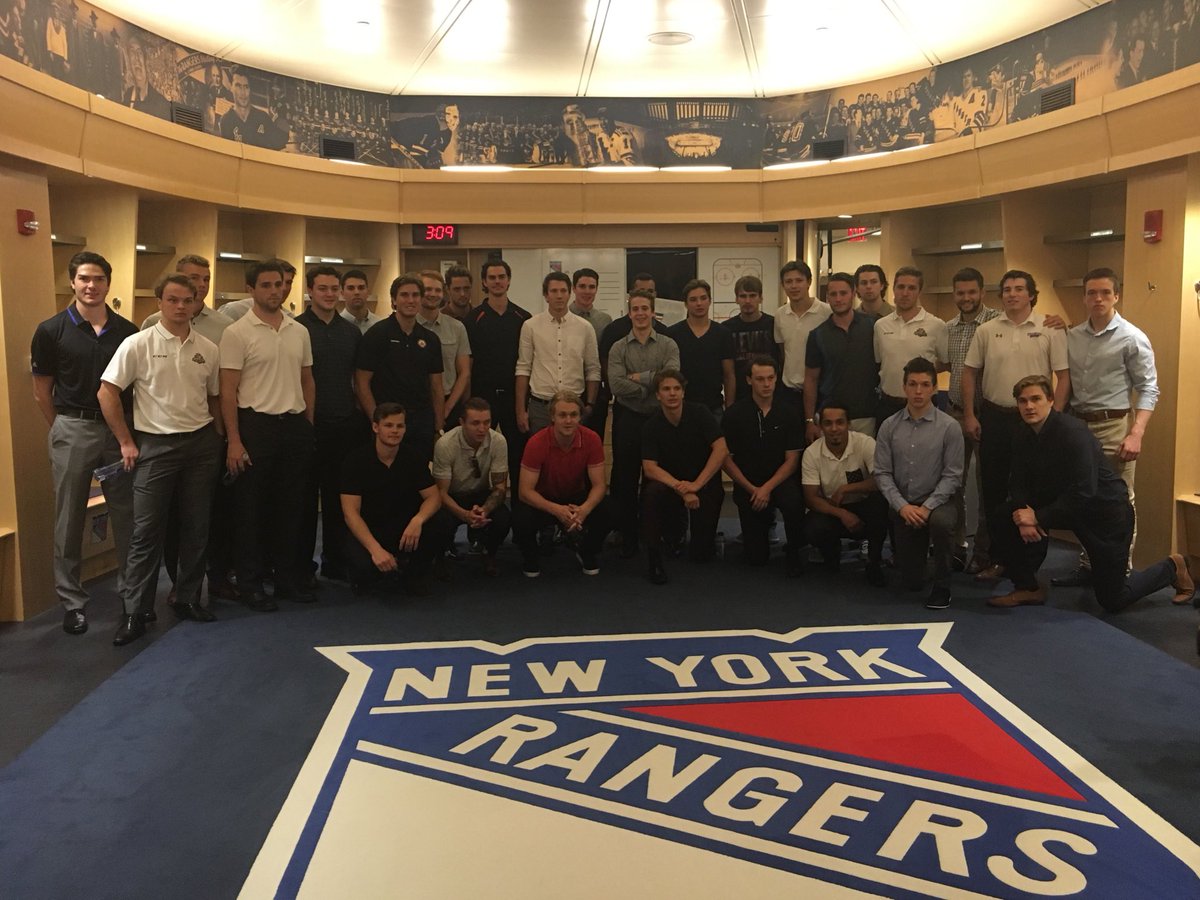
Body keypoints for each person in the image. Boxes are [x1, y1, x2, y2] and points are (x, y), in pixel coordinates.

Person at [989, 375, 1192, 611]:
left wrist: (1038, 517)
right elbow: (1019, 481)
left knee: (1113, 599)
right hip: (1069, 508)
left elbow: (1085, 492)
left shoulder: (1073, 433)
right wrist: (1023, 514)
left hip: (1105, 514)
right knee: (1005, 515)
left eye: (1036, 399)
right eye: (1023, 401)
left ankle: (1173, 568)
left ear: (1051, 400)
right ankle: (1028, 587)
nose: (1029, 406)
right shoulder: (1023, 432)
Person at [98, 274, 223, 644]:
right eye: (173, 300)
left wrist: (217, 437)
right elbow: (107, 394)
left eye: (188, 300)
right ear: (159, 302)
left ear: (197, 302)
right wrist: (125, 441)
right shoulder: (137, 344)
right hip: (155, 446)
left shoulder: (208, 349)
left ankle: (187, 598)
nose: (181, 306)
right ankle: (136, 611)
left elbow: (214, 398)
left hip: (201, 446)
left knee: (197, 528)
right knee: (145, 532)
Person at [30, 251, 136, 636]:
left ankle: (132, 595)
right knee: (69, 518)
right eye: (84, 279)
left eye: (99, 279)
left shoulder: (128, 331)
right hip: (72, 427)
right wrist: (61, 429)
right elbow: (42, 390)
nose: (91, 286)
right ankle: (73, 603)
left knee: (127, 514)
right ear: (72, 282)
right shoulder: (51, 330)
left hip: (118, 433)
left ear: (109, 283)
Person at [219, 259, 315, 611]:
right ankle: (251, 584)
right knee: (251, 512)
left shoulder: (298, 330)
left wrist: (308, 424)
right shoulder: (236, 333)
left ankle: (288, 580)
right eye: (267, 285)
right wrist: (234, 439)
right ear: (251, 289)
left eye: (280, 284)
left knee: (292, 509)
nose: (276, 291)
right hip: (254, 426)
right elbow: (227, 390)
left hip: (293, 426)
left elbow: (308, 381)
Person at [1054, 267, 1159, 587]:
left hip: (1114, 427)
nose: (1097, 298)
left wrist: (1136, 433)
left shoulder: (1132, 337)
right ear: (1084, 297)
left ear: (1116, 296)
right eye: (1091, 293)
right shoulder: (1072, 336)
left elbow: (1149, 388)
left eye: (1104, 293)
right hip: (1078, 426)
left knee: (1119, 500)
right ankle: (1088, 565)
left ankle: (1120, 572)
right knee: (1084, 498)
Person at [962, 270, 1069, 583]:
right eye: (1006, 289)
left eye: (1019, 289)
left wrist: (1055, 417)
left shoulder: (1050, 328)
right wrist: (970, 414)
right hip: (994, 418)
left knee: (1033, 491)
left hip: (1034, 421)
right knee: (994, 492)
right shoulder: (987, 329)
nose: (1011, 294)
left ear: (1031, 295)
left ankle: (1029, 564)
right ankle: (997, 558)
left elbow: (1063, 377)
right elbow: (969, 373)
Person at [139, 254, 233, 600]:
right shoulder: (150, 325)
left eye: (205, 279)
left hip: (205, 437)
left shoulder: (222, 327)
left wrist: (223, 437)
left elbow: (218, 391)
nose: (200, 285)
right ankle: (161, 594)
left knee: (206, 519)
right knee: (163, 524)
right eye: (193, 278)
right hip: (159, 439)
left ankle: (204, 587)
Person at [874, 357, 963, 609]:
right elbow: (882, 473)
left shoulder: (949, 427)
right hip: (905, 503)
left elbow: (953, 476)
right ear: (904, 387)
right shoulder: (888, 427)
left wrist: (927, 507)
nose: (918, 391)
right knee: (913, 582)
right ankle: (924, 564)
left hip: (939, 503)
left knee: (941, 523)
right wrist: (902, 507)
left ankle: (943, 585)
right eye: (912, 384)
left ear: (935, 388)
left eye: (925, 384)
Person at [296, 265, 364, 585]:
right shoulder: (296, 329)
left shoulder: (351, 332)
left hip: (344, 425)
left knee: (340, 501)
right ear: (310, 291)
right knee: (305, 503)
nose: (329, 294)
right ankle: (303, 567)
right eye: (322, 288)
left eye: (333, 288)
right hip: (307, 427)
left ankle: (336, 561)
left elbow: (358, 380)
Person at [340, 403, 447, 596]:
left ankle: (413, 573)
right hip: (370, 530)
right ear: (375, 427)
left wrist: (418, 520)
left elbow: (434, 498)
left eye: (400, 426)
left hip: (405, 530)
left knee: (439, 520)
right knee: (364, 571)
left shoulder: (413, 457)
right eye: (389, 425)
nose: (395, 431)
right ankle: (385, 568)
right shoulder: (355, 460)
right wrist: (375, 550)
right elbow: (350, 514)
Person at [607, 289, 680, 558]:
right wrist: (650, 385)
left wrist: (636, 377)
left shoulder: (668, 344)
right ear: (629, 313)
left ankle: (662, 534)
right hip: (628, 417)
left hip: (660, 419)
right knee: (625, 478)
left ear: (652, 312)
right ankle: (627, 535)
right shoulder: (618, 347)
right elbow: (615, 383)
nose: (640, 313)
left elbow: (671, 378)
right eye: (635, 309)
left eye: (644, 309)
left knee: (661, 478)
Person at [640, 370, 729, 584]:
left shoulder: (700, 413)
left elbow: (721, 449)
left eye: (677, 389)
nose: (672, 394)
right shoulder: (651, 425)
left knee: (701, 555)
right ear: (658, 395)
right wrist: (682, 489)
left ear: (683, 392)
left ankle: (705, 539)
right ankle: (654, 559)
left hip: (703, 482)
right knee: (651, 492)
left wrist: (696, 486)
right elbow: (650, 468)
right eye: (666, 389)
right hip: (671, 486)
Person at [514, 391, 612, 578]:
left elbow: (600, 485)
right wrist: (557, 510)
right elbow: (524, 492)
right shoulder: (536, 442)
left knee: (608, 509)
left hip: (576, 498)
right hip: (545, 499)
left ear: (580, 417)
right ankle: (531, 556)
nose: (568, 421)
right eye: (562, 415)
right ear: (552, 417)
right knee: (520, 516)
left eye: (573, 415)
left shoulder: (591, 439)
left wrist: (584, 509)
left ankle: (586, 550)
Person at [721, 356, 805, 575]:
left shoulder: (789, 412)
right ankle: (761, 529)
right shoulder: (733, 414)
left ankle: (794, 550)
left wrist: (766, 489)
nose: (766, 384)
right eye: (760, 379)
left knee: (794, 502)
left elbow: (792, 461)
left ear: (777, 379)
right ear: (749, 380)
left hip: (780, 481)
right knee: (756, 559)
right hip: (748, 484)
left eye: (770, 378)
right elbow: (725, 460)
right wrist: (753, 489)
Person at [943, 267, 1002, 575]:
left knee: (986, 487)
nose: (965, 298)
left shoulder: (997, 323)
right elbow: (945, 363)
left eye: (971, 292)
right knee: (953, 484)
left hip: (986, 416)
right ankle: (956, 547)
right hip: (953, 413)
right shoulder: (949, 327)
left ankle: (984, 552)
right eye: (960, 293)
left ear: (982, 293)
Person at [355, 273, 444, 462]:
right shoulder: (377, 335)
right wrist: (377, 421)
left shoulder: (430, 339)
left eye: (415, 295)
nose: (410, 300)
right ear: (394, 300)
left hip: (421, 423)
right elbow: (362, 383)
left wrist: (438, 427)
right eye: (404, 295)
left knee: (418, 478)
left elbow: (436, 386)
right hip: (388, 423)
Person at [801, 401, 889, 584]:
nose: (834, 428)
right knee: (813, 526)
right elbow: (810, 498)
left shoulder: (865, 443)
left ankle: (874, 562)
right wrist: (842, 514)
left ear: (849, 424)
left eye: (840, 422)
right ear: (821, 426)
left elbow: (882, 481)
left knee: (881, 504)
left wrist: (846, 489)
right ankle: (831, 555)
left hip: (865, 506)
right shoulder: (811, 453)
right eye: (828, 423)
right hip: (834, 508)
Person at [431, 398, 511, 577]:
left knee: (503, 518)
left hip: (481, 494)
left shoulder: (498, 441)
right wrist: (465, 515)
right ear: (461, 423)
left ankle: (488, 553)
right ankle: (441, 556)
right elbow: (440, 493)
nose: (482, 429)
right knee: (438, 520)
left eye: (487, 422)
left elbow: (499, 488)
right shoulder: (445, 445)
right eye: (475, 423)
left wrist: (484, 509)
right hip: (452, 495)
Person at [465, 259, 531, 473]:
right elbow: (468, 364)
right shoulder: (473, 318)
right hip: (483, 397)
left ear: (509, 280)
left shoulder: (524, 318)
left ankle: (521, 506)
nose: (497, 281)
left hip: (515, 399)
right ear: (484, 282)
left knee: (518, 456)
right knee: (480, 456)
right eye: (492, 278)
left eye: (501, 277)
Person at [515, 271, 600, 434]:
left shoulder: (585, 327)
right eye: (554, 291)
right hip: (540, 408)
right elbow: (523, 368)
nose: (559, 296)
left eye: (563, 291)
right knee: (540, 457)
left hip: (574, 407)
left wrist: (589, 405)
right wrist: (520, 411)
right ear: (546, 295)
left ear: (570, 293)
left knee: (574, 457)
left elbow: (593, 369)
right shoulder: (530, 326)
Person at [803, 271, 879, 443]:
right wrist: (809, 421)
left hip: (865, 415)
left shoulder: (873, 327)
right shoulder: (817, 335)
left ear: (853, 294)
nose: (838, 299)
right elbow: (811, 379)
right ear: (827, 297)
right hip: (830, 417)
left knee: (864, 468)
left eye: (843, 293)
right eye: (833, 294)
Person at [873, 266, 948, 423]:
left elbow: (945, 362)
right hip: (889, 404)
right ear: (893, 289)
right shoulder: (880, 326)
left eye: (911, 288)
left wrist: (923, 372)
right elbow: (880, 361)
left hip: (924, 406)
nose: (905, 293)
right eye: (901, 287)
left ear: (919, 292)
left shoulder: (936, 325)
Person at [667, 278, 736, 419]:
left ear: (709, 301)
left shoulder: (722, 333)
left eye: (703, 298)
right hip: (681, 408)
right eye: (693, 299)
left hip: (714, 408)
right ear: (686, 304)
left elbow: (729, 375)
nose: (699, 303)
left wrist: (729, 408)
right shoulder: (673, 334)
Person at [418, 269, 472, 427]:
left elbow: (464, 372)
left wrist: (447, 407)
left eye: (437, 290)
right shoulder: (408, 327)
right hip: (418, 404)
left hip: (450, 403)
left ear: (443, 293)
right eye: (427, 289)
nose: (433, 294)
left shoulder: (457, 327)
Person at [774, 260, 831, 409]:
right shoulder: (780, 314)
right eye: (788, 281)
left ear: (809, 282)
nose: (794, 286)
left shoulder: (827, 312)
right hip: (789, 392)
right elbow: (783, 353)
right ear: (783, 285)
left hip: (821, 392)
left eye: (799, 280)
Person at [569, 267, 613, 438]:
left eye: (592, 287)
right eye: (582, 286)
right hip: (570, 384)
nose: (587, 291)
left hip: (595, 390)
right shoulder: (564, 316)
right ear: (574, 288)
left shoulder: (605, 320)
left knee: (593, 440)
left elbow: (605, 357)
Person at [722, 274, 780, 386]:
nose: (748, 301)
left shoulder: (774, 324)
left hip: (770, 390)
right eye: (743, 296)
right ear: (736, 299)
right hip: (740, 392)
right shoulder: (727, 329)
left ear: (761, 298)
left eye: (752, 296)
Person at [219, 68, 287, 149]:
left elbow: (279, 143)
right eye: (238, 86)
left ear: (250, 89)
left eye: (246, 87)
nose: (243, 92)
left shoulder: (263, 117)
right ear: (231, 87)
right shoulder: (226, 120)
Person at [221, 259, 297, 321]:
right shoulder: (235, 311)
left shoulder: (291, 319)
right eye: (279, 283)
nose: (284, 288)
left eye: (288, 283)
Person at [338, 268, 380, 334]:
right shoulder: (335, 326)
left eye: (361, 288)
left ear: (368, 292)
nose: (357, 292)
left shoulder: (379, 325)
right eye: (350, 288)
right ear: (342, 294)